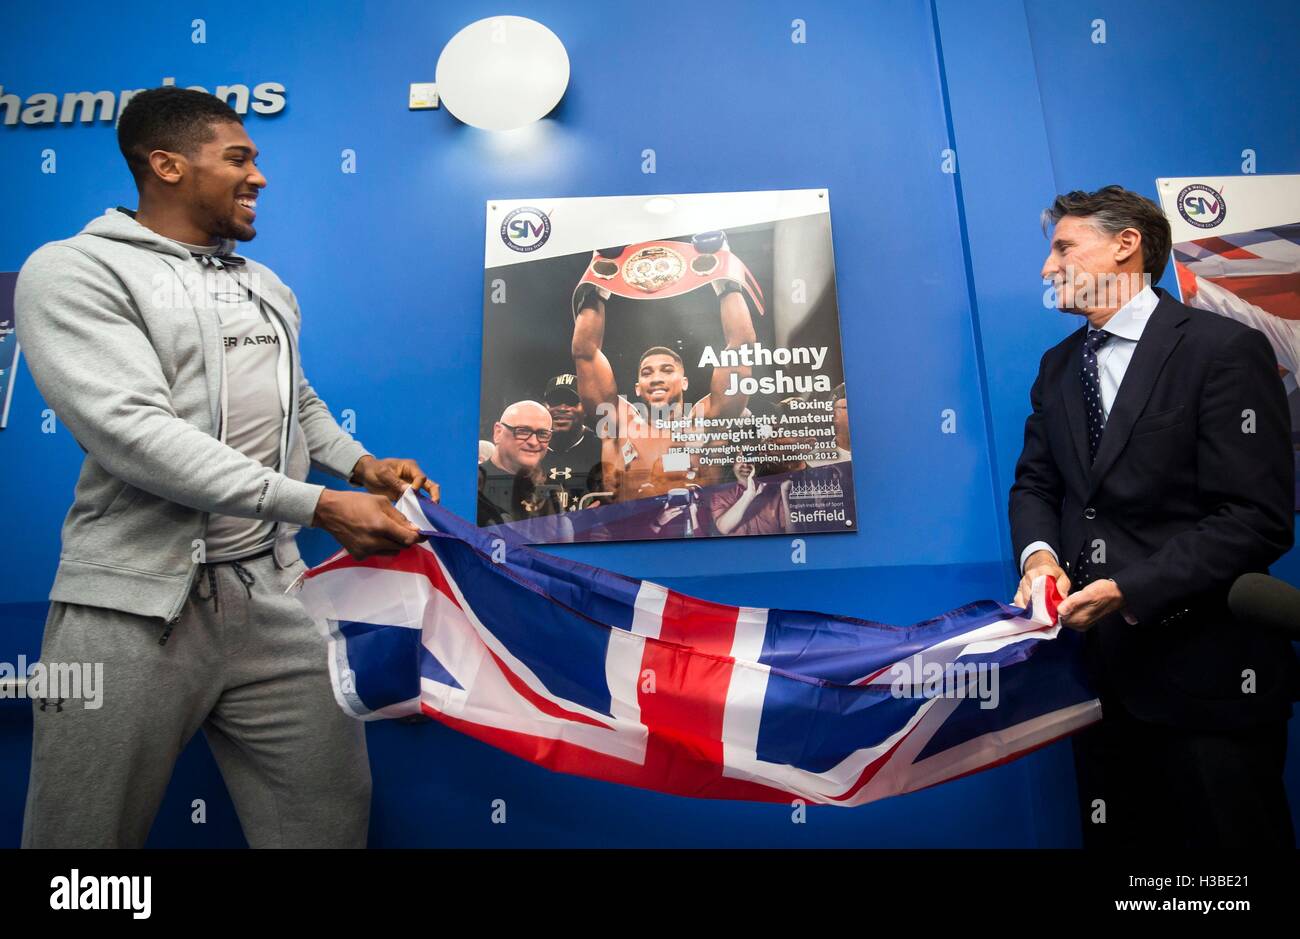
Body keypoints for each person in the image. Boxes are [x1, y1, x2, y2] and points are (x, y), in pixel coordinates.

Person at [14, 87, 436, 848]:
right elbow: (135, 434)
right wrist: (319, 505)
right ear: (168, 165)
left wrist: (361, 466)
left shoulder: (261, 283)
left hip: (275, 595)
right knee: (81, 841)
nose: (258, 176)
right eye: (238, 158)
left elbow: (295, 401)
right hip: (131, 608)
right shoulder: (75, 271)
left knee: (327, 825)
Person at [1009, 184, 1298, 848]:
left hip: (1209, 683)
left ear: (1126, 245)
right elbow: (1037, 484)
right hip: (1097, 686)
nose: (1048, 269)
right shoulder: (1057, 368)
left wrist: (1128, 588)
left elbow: (1255, 517)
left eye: (1063, 248)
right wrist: (1040, 556)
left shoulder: (1223, 350)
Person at [570, 240, 758, 504]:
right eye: (647, 373)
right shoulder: (618, 424)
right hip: (627, 527)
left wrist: (725, 278)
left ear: (684, 381)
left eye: (667, 370)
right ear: (637, 387)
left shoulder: (707, 422)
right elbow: (585, 352)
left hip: (699, 527)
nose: (656, 378)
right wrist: (597, 284)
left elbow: (741, 346)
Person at [477, 400, 565, 526]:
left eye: (542, 434)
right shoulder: (474, 484)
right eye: (523, 431)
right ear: (498, 432)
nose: (534, 442)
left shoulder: (552, 488)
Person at [537, 373, 604, 509]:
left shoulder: (602, 450)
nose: (562, 408)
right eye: (555, 401)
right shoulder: (530, 447)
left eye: (571, 401)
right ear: (544, 407)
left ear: (586, 408)